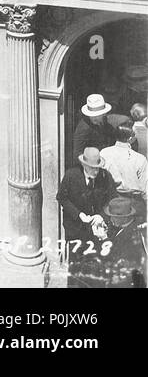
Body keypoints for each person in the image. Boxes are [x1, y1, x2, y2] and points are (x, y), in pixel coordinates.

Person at [59, 146, 119, 288]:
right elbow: (61, 198)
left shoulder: (105, 177)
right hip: (75, 230)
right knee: (76, 268)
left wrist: (101, 215)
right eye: (93, 168)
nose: (96, 171)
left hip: (97, 232)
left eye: (98, 167)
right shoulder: (71, 176)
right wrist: (79, 215)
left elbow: (113, 199)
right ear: (84, 165)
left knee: (95, 268)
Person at [101, 197, 147, 289]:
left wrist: (104, 238)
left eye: (113, 217)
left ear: (124, 218)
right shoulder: (127, 227)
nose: (110, 219)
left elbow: (115, 259)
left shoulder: (133, 235)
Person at [101, 122, 148, 209]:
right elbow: (145, 190)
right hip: (133, 204)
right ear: (130, 138)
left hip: (110, 202)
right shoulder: (140, 159)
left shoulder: (103, 153)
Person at [74, 94, 117, 164]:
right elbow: (78, 153)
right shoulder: (84, 128)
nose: (94, 118)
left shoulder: (106, 122)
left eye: (97, 115)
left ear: (104, 114)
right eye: (91, 115)